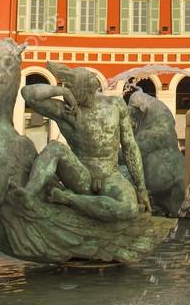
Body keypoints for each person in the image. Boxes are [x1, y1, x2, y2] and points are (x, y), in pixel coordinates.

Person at [11, 62, 151, 221]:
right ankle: (28, 194)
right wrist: (60, 90)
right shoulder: (67, 111)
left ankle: (66, 199)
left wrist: (141, 188)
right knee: (55, 148)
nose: (69, 91)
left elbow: (129, 146)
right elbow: (27, 93)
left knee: (129, 208)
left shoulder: (116, 105)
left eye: (71, 88)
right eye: (67, 88)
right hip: (81, 175)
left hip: (110, 175)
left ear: (86, 88)